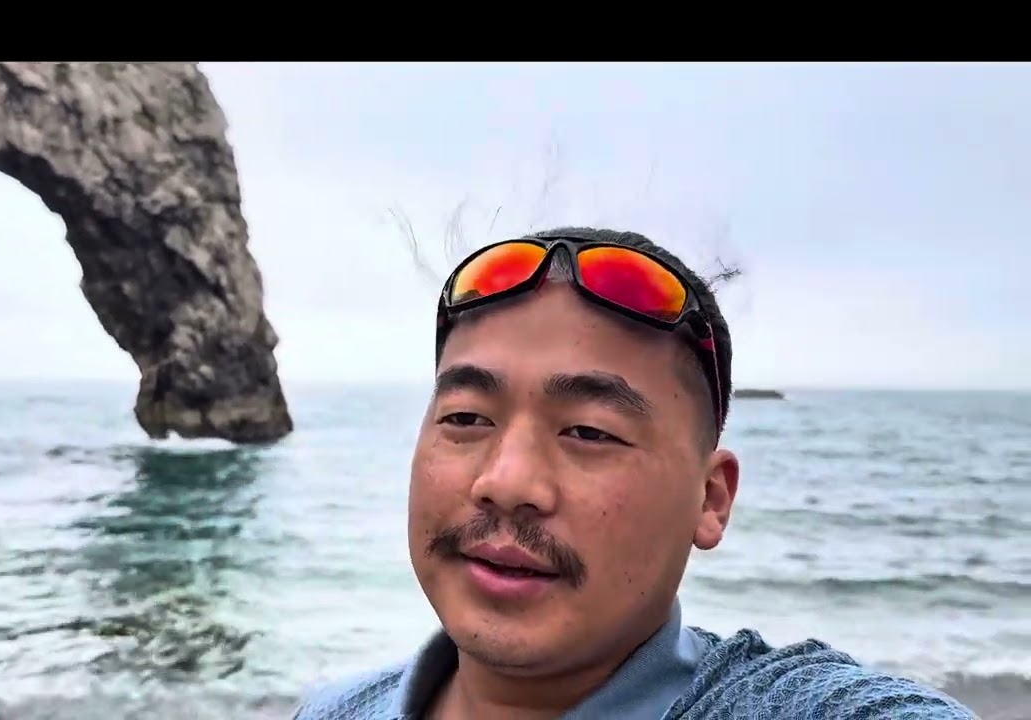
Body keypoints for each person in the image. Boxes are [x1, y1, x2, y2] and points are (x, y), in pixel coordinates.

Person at [291, 227, 977, 720]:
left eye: (589, 431)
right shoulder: (336, 710)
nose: (505, 481)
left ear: (710, 500)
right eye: (467, 418)